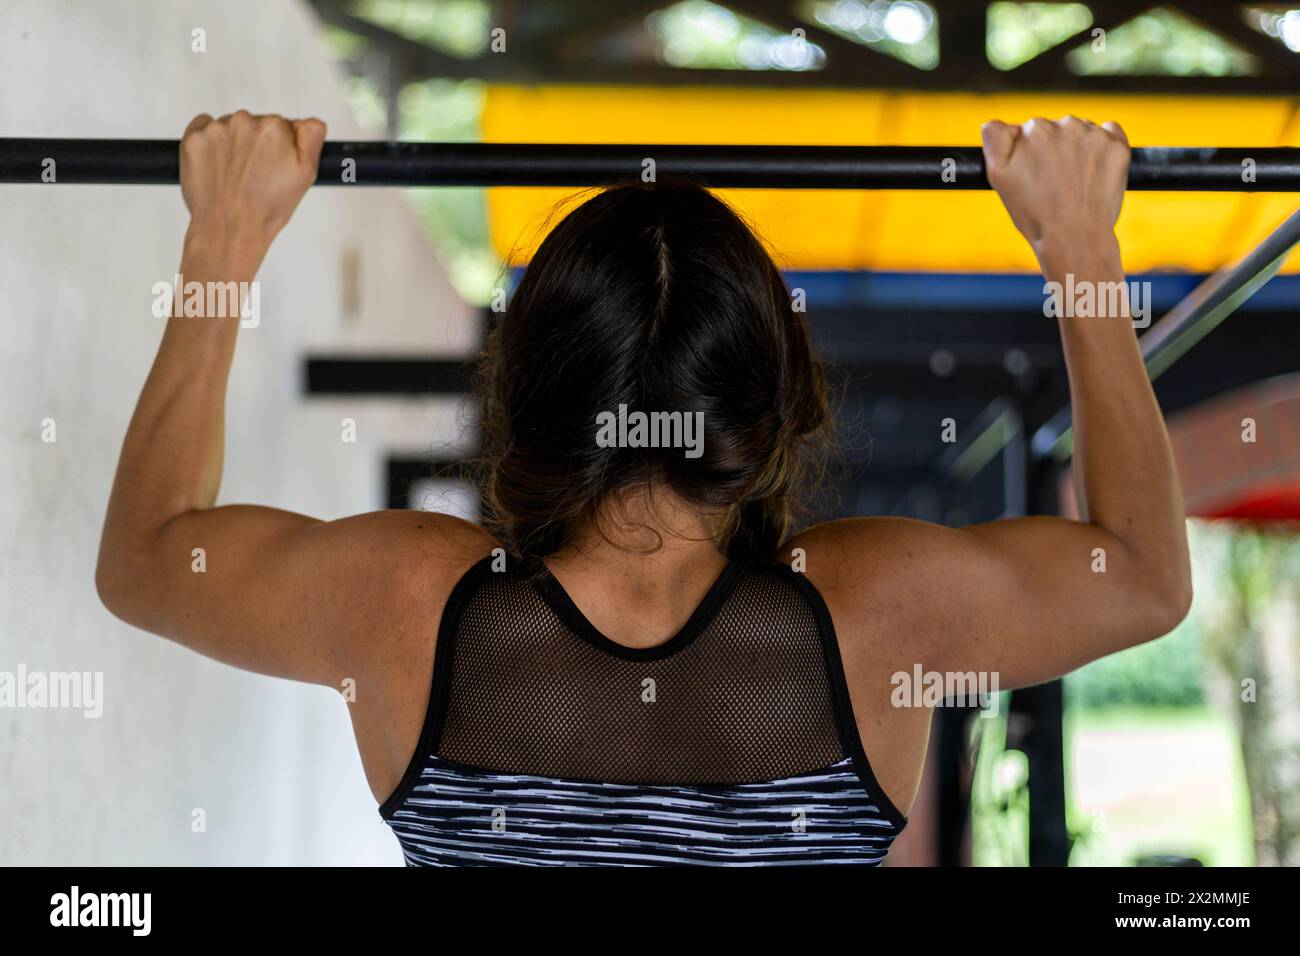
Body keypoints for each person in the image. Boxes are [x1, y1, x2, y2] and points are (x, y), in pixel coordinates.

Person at [96, 111, 1191, 866]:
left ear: (524, 388)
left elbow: (148, 554)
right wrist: (1079, 250)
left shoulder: (408, 600)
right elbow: (1142, 572)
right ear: (769, 411)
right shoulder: (875, 612)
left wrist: (225, 240)